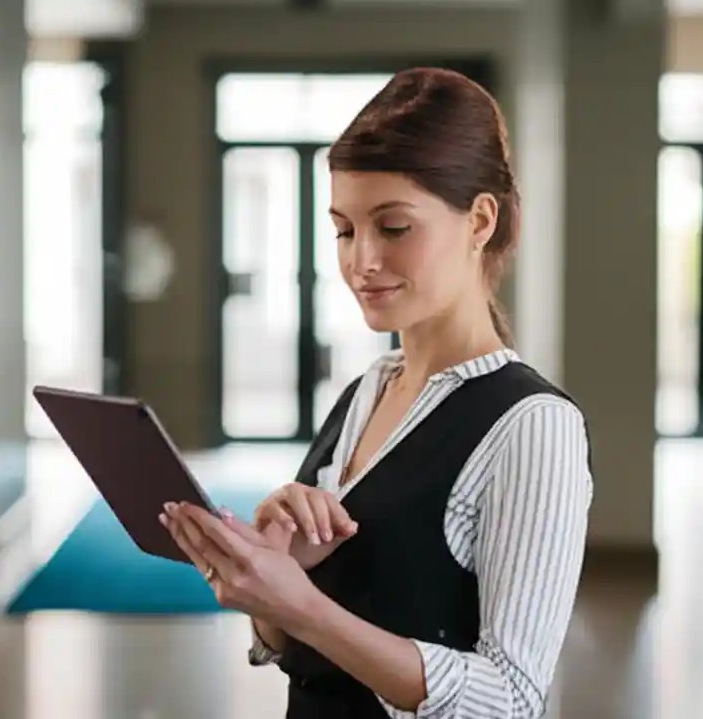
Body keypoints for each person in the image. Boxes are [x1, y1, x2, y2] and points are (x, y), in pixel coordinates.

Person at [159, 67, 592, 718]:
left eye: (393, 228)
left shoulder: (532, 425)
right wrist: (274, 582)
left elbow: (509, 699)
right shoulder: (369, 389)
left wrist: (298, 603)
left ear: (479, 220)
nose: (362, 260)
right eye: (343, 229)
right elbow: (298, 646)